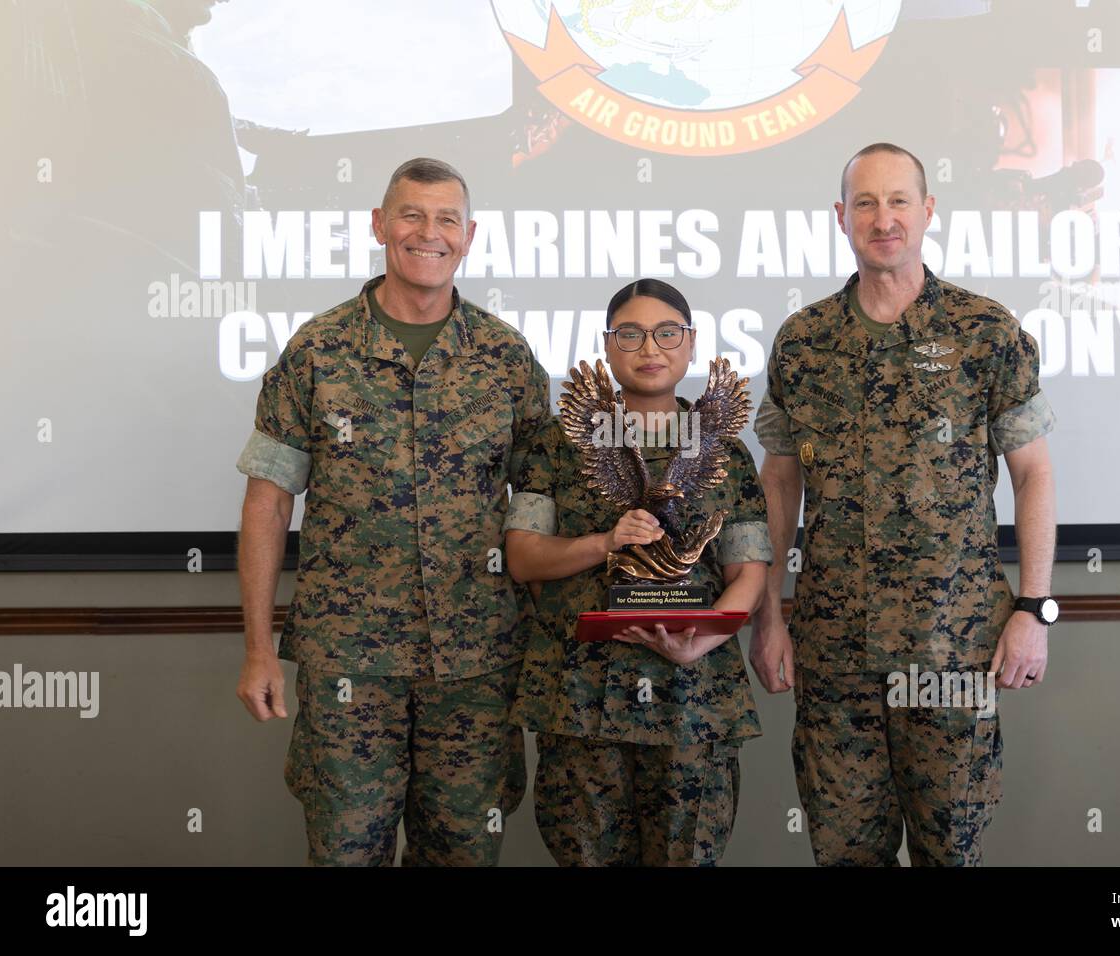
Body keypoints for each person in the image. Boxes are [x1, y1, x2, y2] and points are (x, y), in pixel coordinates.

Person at [233, 158, 550, 866]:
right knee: (346, 852)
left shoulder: (505, 358)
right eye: (411, 215)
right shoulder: (316, 353)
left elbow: (539, 511)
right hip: (350, 661)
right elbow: (266, 504)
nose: (428, 233)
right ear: (379, 225)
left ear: (468, 237)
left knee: (465, 853)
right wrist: (258, 649)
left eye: (446, 220)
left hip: (476, 661)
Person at [751, 143, 1058, 866]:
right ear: (841, 217)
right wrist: (769, 616)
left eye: (897, 201)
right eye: (864, 202)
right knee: (845, 853)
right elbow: (778, 484)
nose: (882, 218)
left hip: (952, 650)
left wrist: (1034, 610)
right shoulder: (803, 343)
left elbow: (1035, 474)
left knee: (950, 853)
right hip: (835, 657)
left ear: (927, 211)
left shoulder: (985, 332)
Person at [504, 279, 772, 866]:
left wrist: (706, 639)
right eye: (630, 333)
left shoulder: (724, 450)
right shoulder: (559, 442)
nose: (649, 347)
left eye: (666, 332)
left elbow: (749, 570)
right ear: (608, 345)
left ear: (691, 344)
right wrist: (605, 541)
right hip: (580, 695)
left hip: (691, 694)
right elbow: (523, 555)